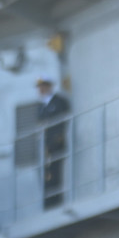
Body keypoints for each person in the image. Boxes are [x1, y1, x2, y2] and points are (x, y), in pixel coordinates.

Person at [36, 78, 71, 209]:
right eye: (39, 87)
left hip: (56, 144)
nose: (41, 90)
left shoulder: (59, 101)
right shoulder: (41, 106)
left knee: (56, 173)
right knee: (47, 175)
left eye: (43, 86)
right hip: (45, 147)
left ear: (49, 86)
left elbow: (62, 121)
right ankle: (48, 203)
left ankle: (56, 201)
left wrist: (56, 141)